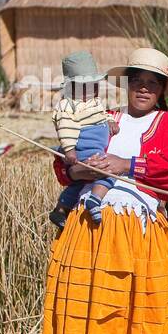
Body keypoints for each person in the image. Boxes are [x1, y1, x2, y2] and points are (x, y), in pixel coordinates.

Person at [40, 48, 168, 334]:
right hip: (88, 222)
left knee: (134, 296)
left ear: (163, 89)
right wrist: (82, 169)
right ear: (126, 84)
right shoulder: (103, 117)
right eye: (137, 81)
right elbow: (66, 164)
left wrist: (126, 165)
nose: (143, 88)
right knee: (89, 296)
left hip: (134, 224)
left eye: (153, 83)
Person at [48, 51, 119, 228]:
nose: (91, 90)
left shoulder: (94, 102)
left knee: (80, 182)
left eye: (94, 85)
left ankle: (61, 209)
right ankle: (95, 199)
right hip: (86, 146)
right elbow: (65, 128)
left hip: (95, 146)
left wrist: (110, 122)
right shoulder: (68, 105)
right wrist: (70, 150)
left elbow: (102, 115)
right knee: (108, 171)